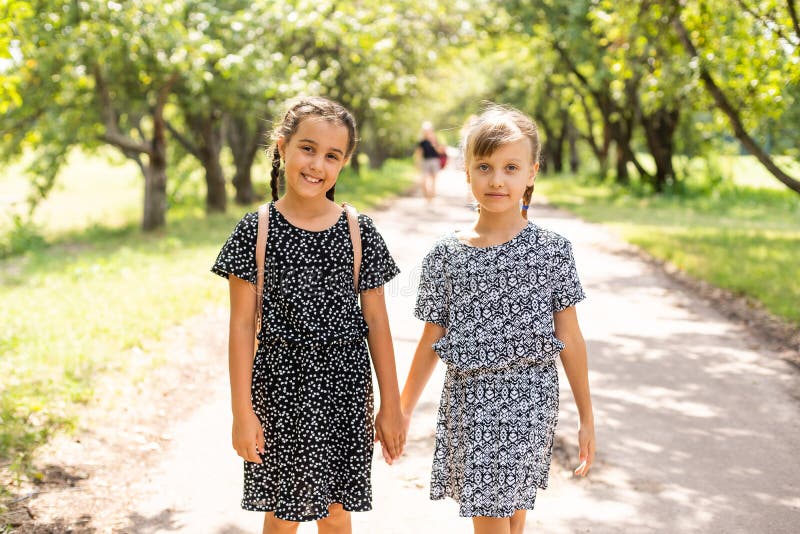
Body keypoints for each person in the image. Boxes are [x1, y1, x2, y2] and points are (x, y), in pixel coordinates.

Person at [211, 96, 405, 534]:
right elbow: (241, 328)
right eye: (307, 148)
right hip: (281, 393)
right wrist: (242, 413)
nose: (317, 164)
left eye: (332, 156)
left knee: (337, 513)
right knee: (283, 515)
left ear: (343, 164)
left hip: (346, 392)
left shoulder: (359, 231)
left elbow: (377, 325)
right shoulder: (255, 230)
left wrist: (391, 406)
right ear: (282, 147)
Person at [400, 104, 596, 534]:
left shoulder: (552, 250)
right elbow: (432, 338)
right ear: (467, 173)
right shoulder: (446, 254)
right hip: (471, 401)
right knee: (491, 518)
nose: (497, 180)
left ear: (531, 173)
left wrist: (586, 416)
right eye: (485, 167)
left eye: (511, 167)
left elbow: (571, 338)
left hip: (532, 400)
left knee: (512, 515)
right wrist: (402, 409)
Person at [414, 121, 443, 202]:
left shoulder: (435, 139)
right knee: (424, 180)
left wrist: (434, 144)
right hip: (425, 161)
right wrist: (417, 163)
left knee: (434, 180)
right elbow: (418, 153)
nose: (427, 132)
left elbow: (440, 151)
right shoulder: (422, 141)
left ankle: (431, 197)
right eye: (425, 131)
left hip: (434, 161)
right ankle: (427, 197)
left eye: (429, 130)